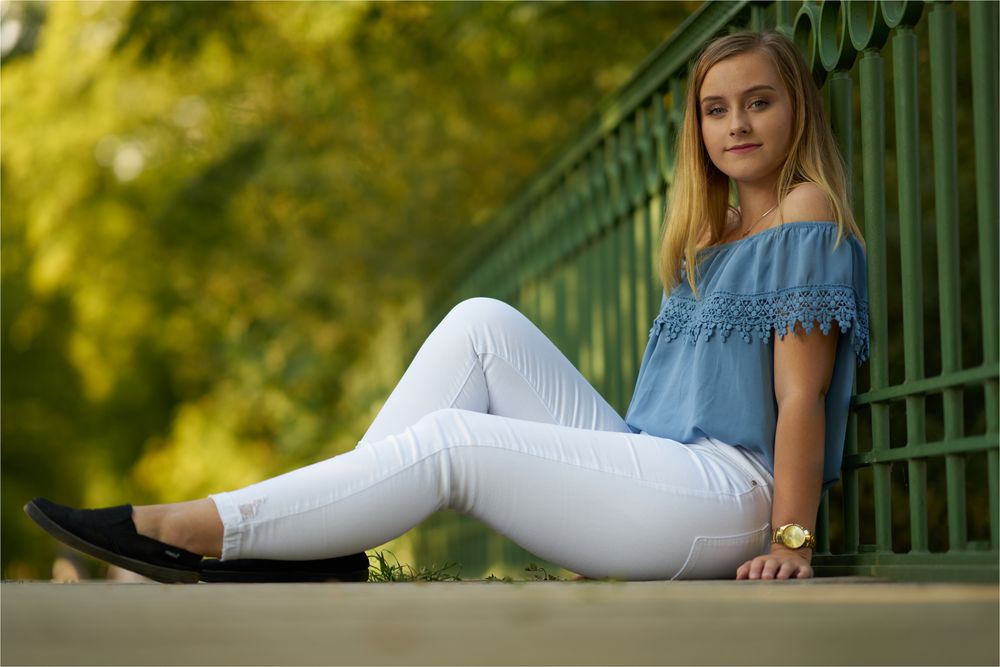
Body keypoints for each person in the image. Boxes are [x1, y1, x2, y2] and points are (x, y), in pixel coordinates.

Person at [25, 29, 869, 583]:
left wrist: (789, 540)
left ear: (795, 109)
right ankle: (316, 547)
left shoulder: (805, 213)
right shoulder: (710, 231)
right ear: (700, 131)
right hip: (659, 465)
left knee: (455, 446)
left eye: (760, 102)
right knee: (481, 323)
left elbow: (798, 396)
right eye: (716, 110)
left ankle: (199, 526)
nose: (738, 125)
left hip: (730, 492)